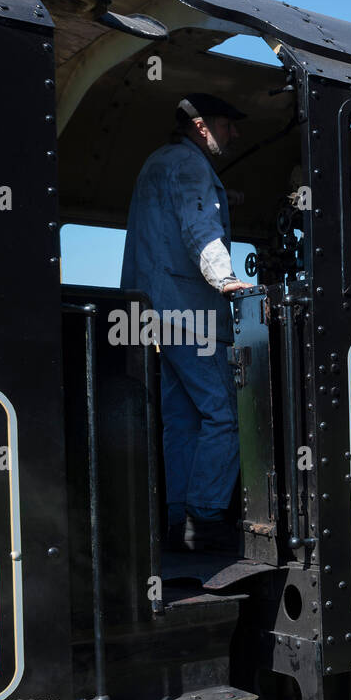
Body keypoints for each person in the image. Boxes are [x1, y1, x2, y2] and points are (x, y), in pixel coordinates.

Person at [121, 93, 253, 554]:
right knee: (225, 415)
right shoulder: (190, 165)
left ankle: (178, 521)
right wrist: (227, 280)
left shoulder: (157, 163)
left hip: (155, 313)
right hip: (193, 314)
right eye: (226, 124)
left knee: (180, 420)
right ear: (201, 126)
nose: (232, 133)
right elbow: (199, 224)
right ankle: (207, 515)